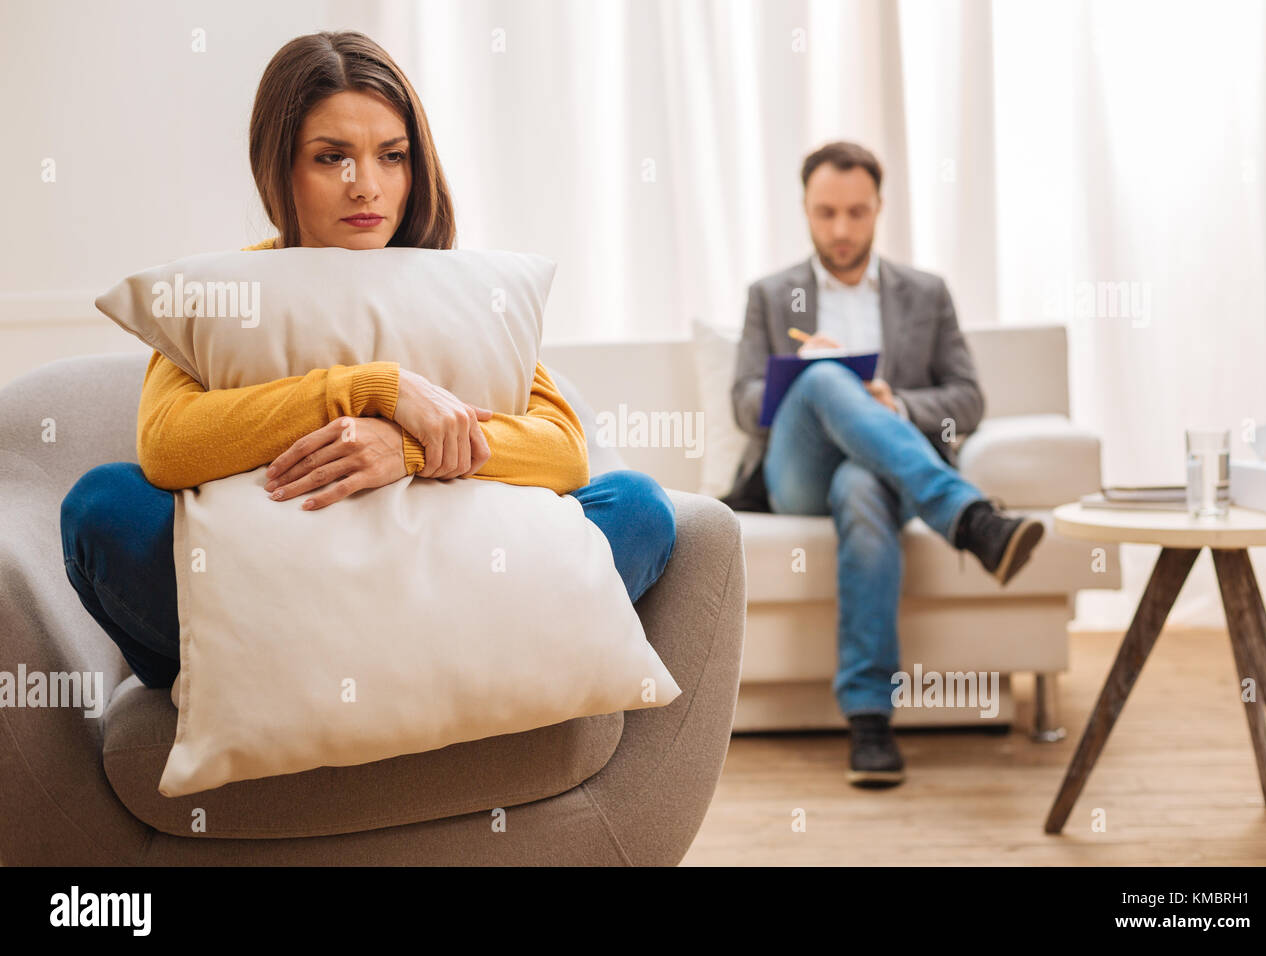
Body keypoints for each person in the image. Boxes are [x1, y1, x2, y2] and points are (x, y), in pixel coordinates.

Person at [60, 30, 676, 693]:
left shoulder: (461, 289)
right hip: (277, 596)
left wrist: (406, 448)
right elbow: (167, 448)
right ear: (279, 166)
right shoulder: (223, 291)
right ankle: (376, 669)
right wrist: (367, 388)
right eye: (332, 158)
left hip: (443, 581)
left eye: (392, 156)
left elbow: (562, 452)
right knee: (105, 506)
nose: (367, 187)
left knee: (638, 507)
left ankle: (390, 668)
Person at [722, 141, 1044, 789]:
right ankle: (972, 519)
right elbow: (744, 401)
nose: (841, 230)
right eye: (826, 213)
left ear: (880, 209)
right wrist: (810, 378)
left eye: (856, 213)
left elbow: (967, 398)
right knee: (820, 379)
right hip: (798, 474)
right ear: (805, 210)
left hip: (880, 471)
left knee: (863, 484)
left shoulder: (926, 294)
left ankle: (869, 721)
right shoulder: (771, 295)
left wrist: (893, 402)